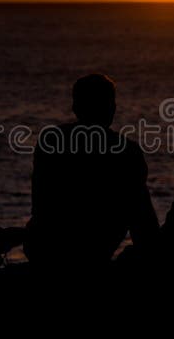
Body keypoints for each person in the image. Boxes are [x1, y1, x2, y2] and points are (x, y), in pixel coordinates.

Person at [24, 74, 159, 267]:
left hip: (44, 248)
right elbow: (142, 221)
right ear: (112, 109)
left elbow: (40, 203)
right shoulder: (127, 151)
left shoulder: (50, 140)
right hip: (96, 250)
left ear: (75, 107)